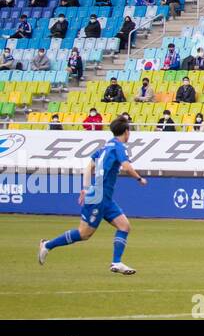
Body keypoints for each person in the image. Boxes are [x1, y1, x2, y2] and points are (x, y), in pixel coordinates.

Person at [39, 115, 147, 274]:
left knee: (124, 226)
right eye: (129, 130)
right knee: (83, 234)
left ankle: (116, 262)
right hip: (98, 196)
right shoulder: (118, 147)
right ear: (126, 131)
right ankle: (47, 245)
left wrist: (85, 187)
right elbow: (126, 166)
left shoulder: (104, 147)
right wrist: (139, 178)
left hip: (105, 198)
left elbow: (88, 167)